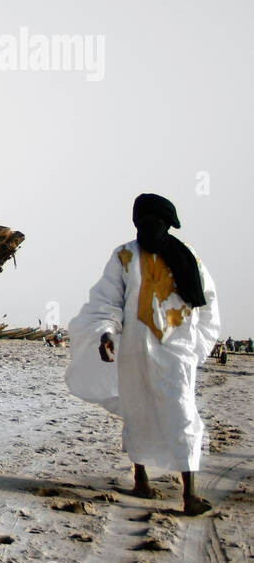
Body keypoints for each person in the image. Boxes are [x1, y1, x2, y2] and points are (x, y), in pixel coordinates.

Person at [65, 193, 220, 515]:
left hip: (177, 349)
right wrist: (105, 331)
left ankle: (190, 493)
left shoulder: (188, 257)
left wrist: (196, 348)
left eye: (159, 223)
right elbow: (107, 301)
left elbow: (206, 306)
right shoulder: (124, 256)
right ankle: (141, 479)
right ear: (137, 223)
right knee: (137, 411)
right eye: (146, 223)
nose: (152, 228)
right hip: (133, 347)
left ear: (168, 225)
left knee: (182, 411)